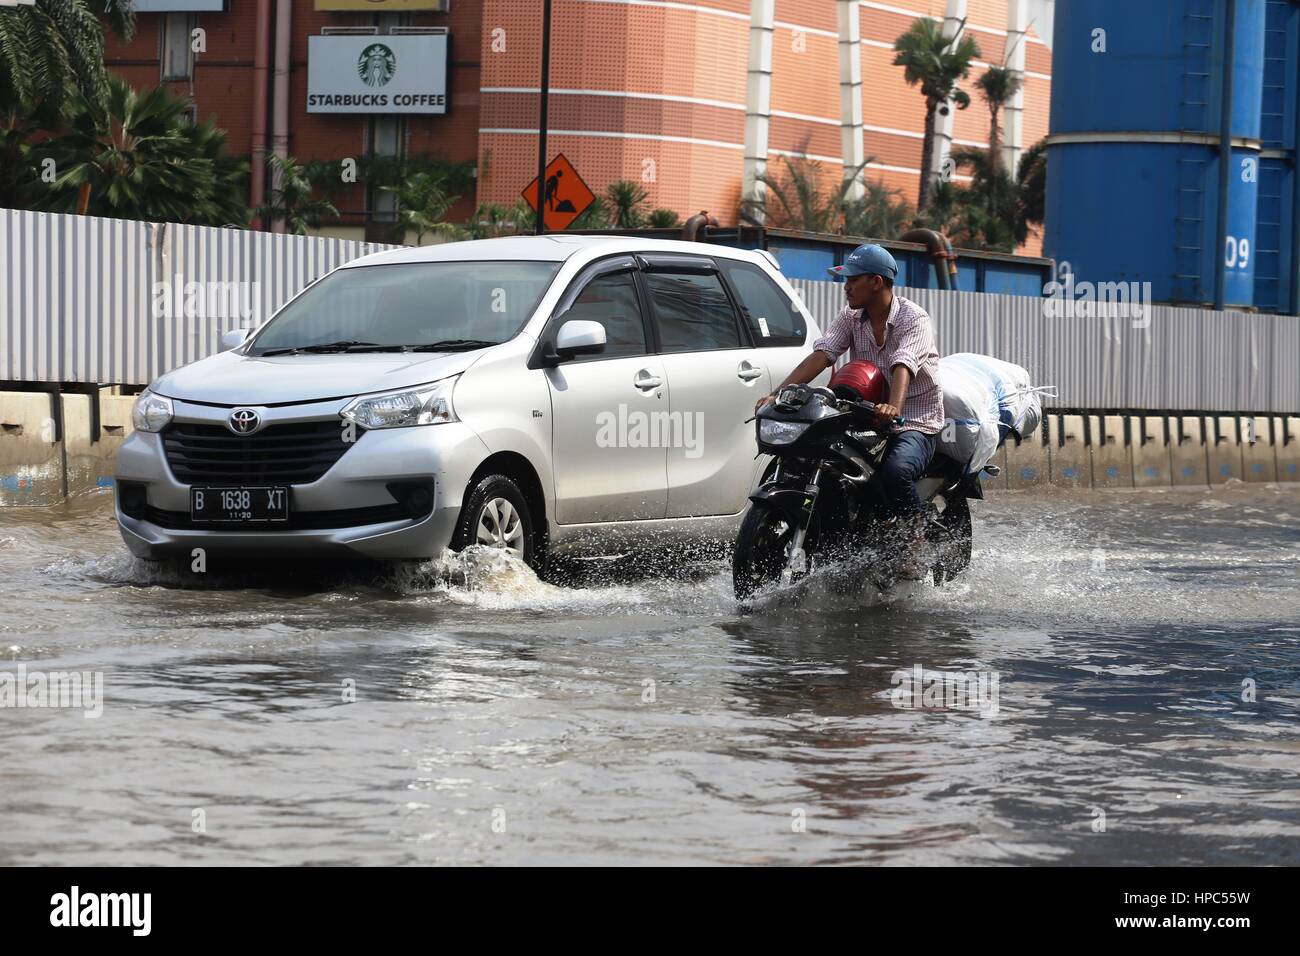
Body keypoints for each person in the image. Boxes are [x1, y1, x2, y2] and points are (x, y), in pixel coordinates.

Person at [754, 243, 945, 575]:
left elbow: (904, 364)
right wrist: (777, 393)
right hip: (863, 412)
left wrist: (893, 407)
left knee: (895, 472)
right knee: (827, 462)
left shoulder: (914, 319)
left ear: (876, 281)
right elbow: (823, 353)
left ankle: (915, 543)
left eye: (853, 280)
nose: (846, 288)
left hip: (914, 418)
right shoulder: (850, 317)